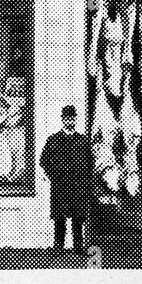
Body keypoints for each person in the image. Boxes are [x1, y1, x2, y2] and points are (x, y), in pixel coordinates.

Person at [40, 105, 94, 252]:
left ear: (75, 119)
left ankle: (78, 246)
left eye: (72, 118)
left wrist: (85, 181)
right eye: (67, 118)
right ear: (62, 120)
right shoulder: (53, 139)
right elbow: (43, 160)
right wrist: (54, 176)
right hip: (60, 185)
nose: (69, 121)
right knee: (59, 217)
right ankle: (58, 247)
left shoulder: (83, 140)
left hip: (78, 186)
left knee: (78, 218)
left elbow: (91, 163)